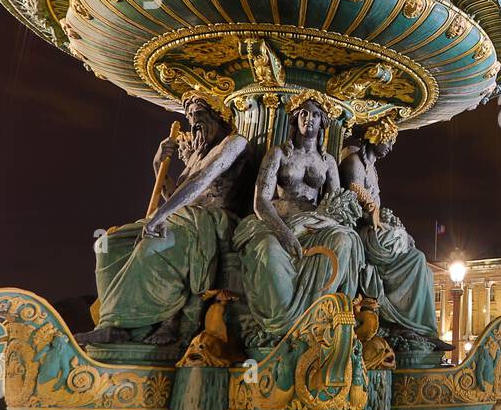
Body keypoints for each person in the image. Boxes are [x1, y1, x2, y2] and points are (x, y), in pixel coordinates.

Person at [80, 94, 251, 346]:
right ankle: (112, 325)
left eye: (199, 114)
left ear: (219, 115)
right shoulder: (196, 156)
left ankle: (141, 321)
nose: (194, 122)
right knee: (108, 245)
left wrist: (160, 215)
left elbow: (202, 180)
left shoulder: (234, 143)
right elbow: (175, 196)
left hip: (210, 222)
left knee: (151, 246)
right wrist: (157, 163)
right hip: (181, 217)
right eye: (189, 116)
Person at [233, 91, 365, 341]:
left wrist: (326, 221)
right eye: (304, 113)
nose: (309, 119)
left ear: (323, 122)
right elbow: (261, 200)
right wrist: (283, 233)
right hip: (276, 223)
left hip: (314, 226)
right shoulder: (278, 154)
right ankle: (283, 322)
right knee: (268, 249)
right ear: (295, 119)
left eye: (315, 114)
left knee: (344, 240)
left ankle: (319, 316)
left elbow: (337, 203)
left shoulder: (328, 162)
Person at [339, 116, 448, 353]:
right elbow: (355, 188)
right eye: (388, 140)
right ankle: (408, 323)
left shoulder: (373, 171)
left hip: (373, 227)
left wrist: (391, 225)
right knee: (413, 256)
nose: (390, 146)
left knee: (421, 262)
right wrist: (372, 208)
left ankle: (421, 328)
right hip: (361, 230)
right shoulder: (354, 161)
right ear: (373, 136)